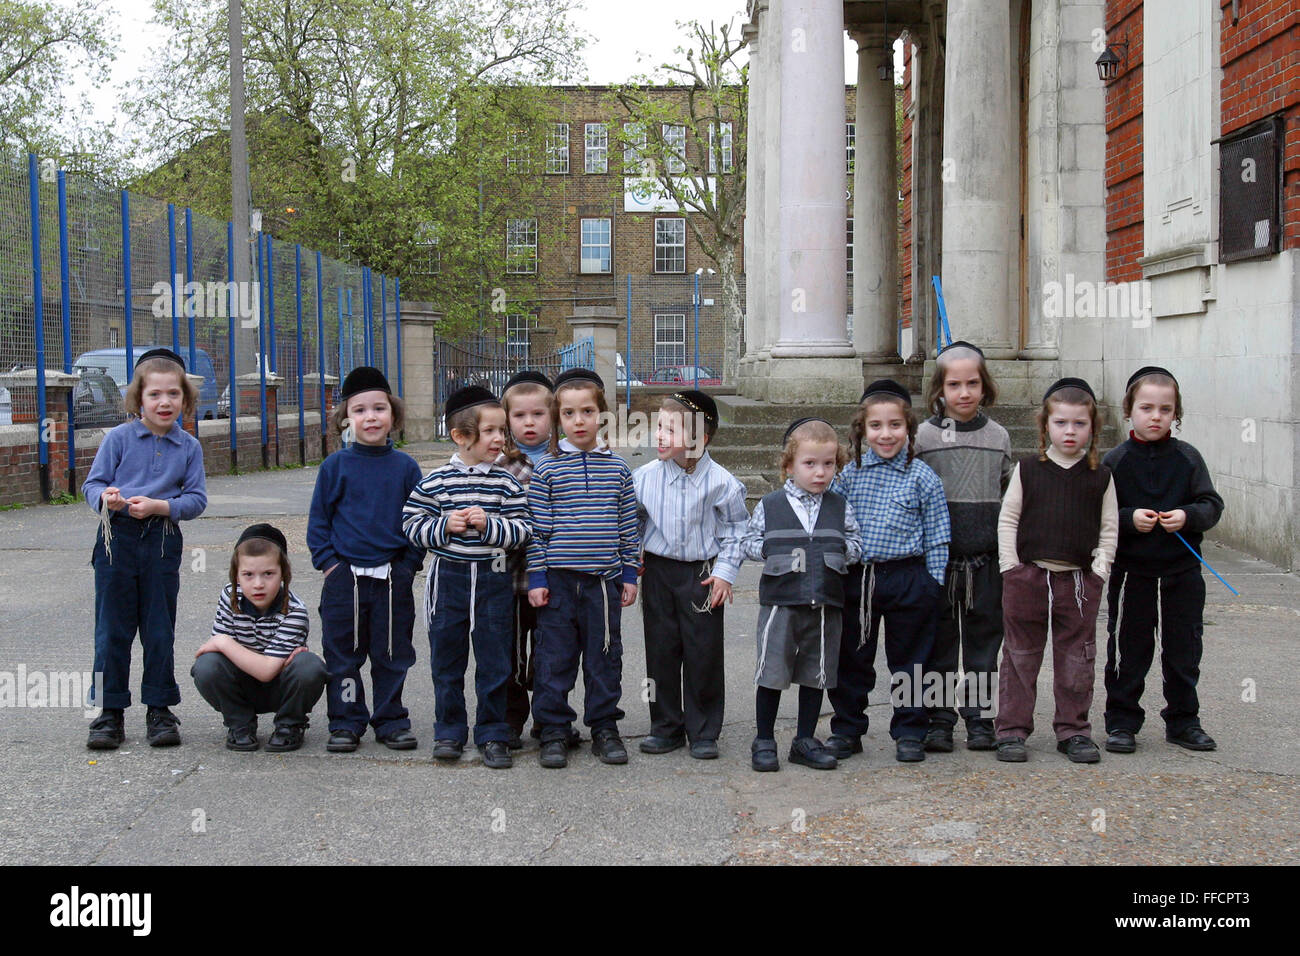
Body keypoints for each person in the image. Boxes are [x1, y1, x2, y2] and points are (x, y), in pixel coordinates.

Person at [83, 347, 207, 750]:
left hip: (161, 539)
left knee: (158, 629)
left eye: (173, 394)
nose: (164, 402)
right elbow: (92, 485)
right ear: (138, 399)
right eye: (155, 394)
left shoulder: (188, 447)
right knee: (112, 631)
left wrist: (162, 507)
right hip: (116, 538)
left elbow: (196, 499)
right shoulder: (118, 439)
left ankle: (160, 708)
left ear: (185, 399)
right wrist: (109, 499)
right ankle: (108, 712)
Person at [404, 386, 530, 769]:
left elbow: (524, 530)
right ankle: (449, 731)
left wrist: (491, 525)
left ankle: (492, 733)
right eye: (490, 431)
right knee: (447, 659)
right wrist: (444, 525)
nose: (499, 439)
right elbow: (411, 525)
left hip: (493, 580)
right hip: (448, 581)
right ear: (461, 436)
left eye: (501, 431)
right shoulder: (436, 481)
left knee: (495, 662)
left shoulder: (506, 482)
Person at [826, 381, 950, 763]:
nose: (886, 434)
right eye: (876, 426)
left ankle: (911, 729)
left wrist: (933, 581)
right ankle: (847, 729)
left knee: (911, 659)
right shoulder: (849, 476)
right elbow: (833, 522)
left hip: (908, 576)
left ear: (909, 429)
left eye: (895, 425)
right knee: (852, 657)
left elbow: (939, 534)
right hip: (860, 577)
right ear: (862, 430)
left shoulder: (922, 476)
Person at [1102, 366, 1224, 754]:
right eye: (1147, 408)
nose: (1156, 416)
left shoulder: (1188, 458)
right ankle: (1122, 722)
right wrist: (1128, 519)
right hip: (1131, 572)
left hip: (1182, 572)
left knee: (1184, 649)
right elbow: (1098, 513)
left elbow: (1211, 503)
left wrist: (1188, 516)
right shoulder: (1115, 461)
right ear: (1129, 411)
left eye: (1165, 410)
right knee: (1128, 649)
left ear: (1176, 414)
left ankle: (1184, 721)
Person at [996, 377, 1118, 763]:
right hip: (1028, 577)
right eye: (1061, 423)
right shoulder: (1028, 469)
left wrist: (1099, 571)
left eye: (1079, 424)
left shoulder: (1101, 476)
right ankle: (1012, 731)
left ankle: (1074, 731)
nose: (1070, 431)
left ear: (1092, 428)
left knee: (1077, 657)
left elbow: (1110, 528)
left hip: (1079, 582)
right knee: (1020, 655)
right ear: (1045, 425)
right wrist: (1010, 568)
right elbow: (1008, 520)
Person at [527, 368, 639, 769]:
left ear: (602, 416)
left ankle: (605, 727)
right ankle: (555, 729)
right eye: (570, 413)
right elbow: (537, 533)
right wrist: (537, 579)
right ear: (559, 420)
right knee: (554, 659)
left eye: (587, 411)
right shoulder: (547, 471)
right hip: (557, 584)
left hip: (603, 584)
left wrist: (629, 573)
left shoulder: (618, 471)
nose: (579, 421)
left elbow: (629, 526)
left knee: (604, 657)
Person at [308, 367, 424, 753]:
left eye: (379, 408)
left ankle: (391, 719)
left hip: (392, 579)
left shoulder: (406, 468)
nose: (370, 417)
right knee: (342, 656)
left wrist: (408, 566)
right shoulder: (334, 467)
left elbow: (419, 520)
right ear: (346, 417)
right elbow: (319, 523)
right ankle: (346, 720)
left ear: (393, 414)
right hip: (346, 579)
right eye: (360, 410)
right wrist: (331, 565)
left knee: (392, 654)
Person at [741, 417, 863, 772]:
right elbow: (748, 542)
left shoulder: (840, 506)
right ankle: (764, 739)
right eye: (810, 464)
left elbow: (856, 542)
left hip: (826, 603)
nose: (820, 472)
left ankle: (805, 740)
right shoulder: (771, 504)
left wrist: (843, 553)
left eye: (828, 464)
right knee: (771, 671)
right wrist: (771, 552)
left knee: (817, 673)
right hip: (781, 604)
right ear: (789, 465)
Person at [633, 390, 749, 759]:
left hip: (703, 575)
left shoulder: (722, 483)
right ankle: (665, 726)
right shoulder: (644, 478)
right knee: (661, 650)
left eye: (672, 429)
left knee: (703, 653)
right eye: (659, 427)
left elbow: (736, 531)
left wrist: (726, 574)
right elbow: (633, 522)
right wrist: (630, 558)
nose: (660, 436)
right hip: (659, 572)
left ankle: (703, 730)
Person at [914, 342, 1013, 752]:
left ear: (984, 385)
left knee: (984, 644)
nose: (964, 392)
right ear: (939, 389)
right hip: (938, 560)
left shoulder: (998, 435)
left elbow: (1008, 491)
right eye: (954, 384)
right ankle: (939, 720)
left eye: (972, 383)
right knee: (939, 643)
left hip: (985, 559)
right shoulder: (923, 435)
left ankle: (980, 717)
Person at [191, 523, 327, 751]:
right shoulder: (229, 597)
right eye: (248, 575)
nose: (258, 584)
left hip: (281, 687)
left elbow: (265, 672)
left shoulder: (294, 611)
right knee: (207, 665)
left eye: (268, 574)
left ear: (283, 573)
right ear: (236, 575)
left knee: (309, 666)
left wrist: (224, 642)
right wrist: (226, 648)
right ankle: (240, 724)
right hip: (241, 684)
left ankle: (289, 725)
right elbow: (218, 658)